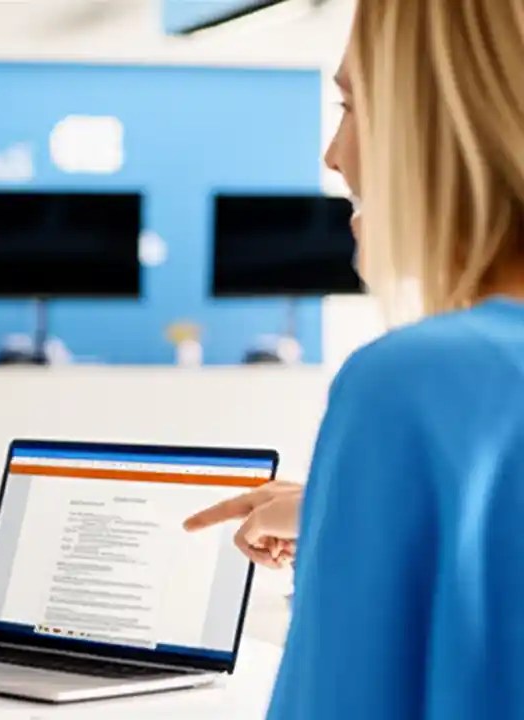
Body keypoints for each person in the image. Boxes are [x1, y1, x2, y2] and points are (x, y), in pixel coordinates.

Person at [229, 0, 524, 716]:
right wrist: (351, 511)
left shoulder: (415, 382)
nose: (334, 155)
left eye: (352, 106)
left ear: (442, 120)